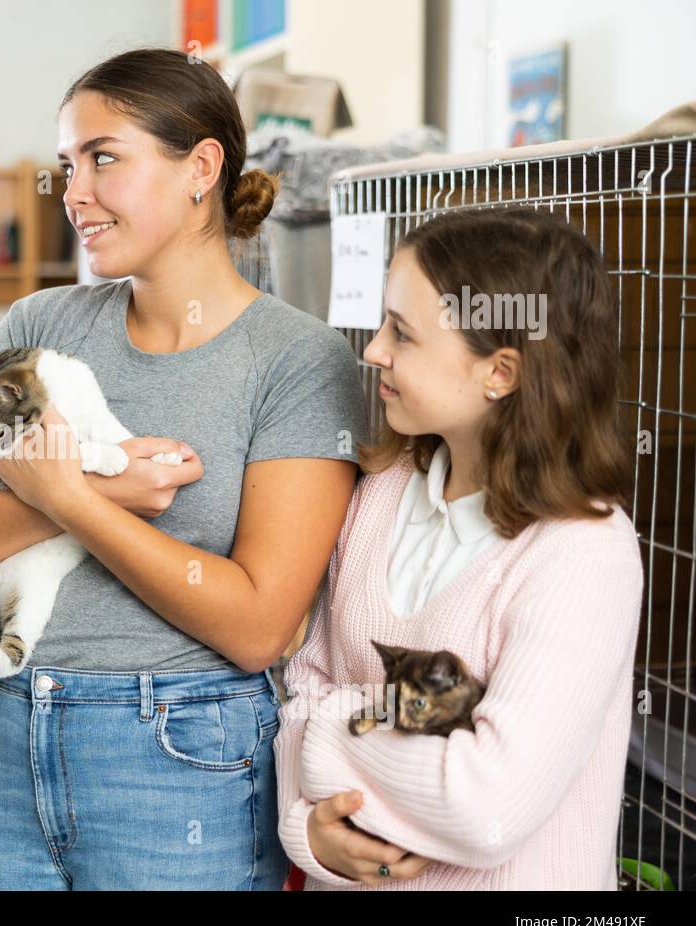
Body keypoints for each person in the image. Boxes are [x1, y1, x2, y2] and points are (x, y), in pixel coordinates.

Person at [0, 48, 366, 890]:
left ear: (201, 168)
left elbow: (256, 627)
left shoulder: (296, 360)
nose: (74, 194)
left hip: (180, 760)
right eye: (67, 164)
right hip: (1, 744)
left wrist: (69, 497)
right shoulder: (41, 321)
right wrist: (96, 493)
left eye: (104, 158)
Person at [274, 207, 644, 889]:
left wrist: (330, 729)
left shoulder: (584, 556)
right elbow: (301, 689)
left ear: (499, 373)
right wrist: (315, 838)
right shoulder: (380, 493)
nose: (374, 350)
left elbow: (486, 810)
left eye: (403, 334)